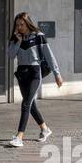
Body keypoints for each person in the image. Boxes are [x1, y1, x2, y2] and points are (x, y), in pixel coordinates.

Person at [7, 11, 63, 148]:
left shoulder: (39, 36)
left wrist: (57, 73)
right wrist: (18, 41)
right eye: (17, 24)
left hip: (34, 73)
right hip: (22, 73)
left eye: (22, 24)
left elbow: (49, 55)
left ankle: (19, 136)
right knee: (30, 105)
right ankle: (45, 129)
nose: (19, 27)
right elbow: (10, 56)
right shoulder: (15, 38)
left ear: (28, 23)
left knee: (26, 103)